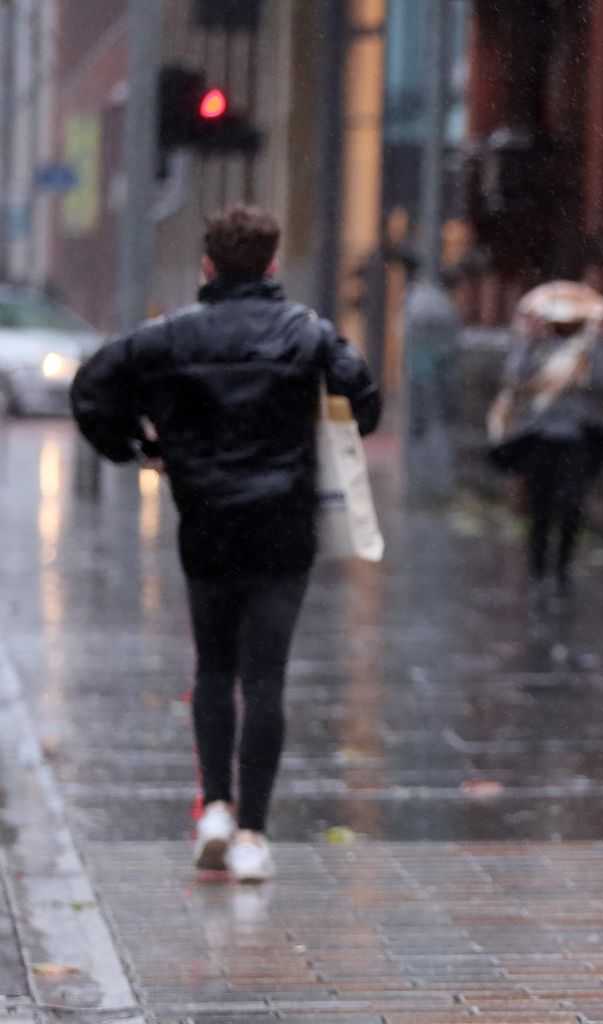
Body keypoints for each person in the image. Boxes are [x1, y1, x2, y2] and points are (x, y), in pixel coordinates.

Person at [71, 206, 381, 882]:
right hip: (282, 524)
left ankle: (213, 805)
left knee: (213, 668)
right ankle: (253, 837)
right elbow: (365, 397)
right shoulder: (307, 333)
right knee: (264, 676)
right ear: (271, 266)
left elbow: (92, 389)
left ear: (207, 265)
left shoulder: (170, 337)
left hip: (206, 521)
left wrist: (140, 446)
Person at [487, 282, 603, 599]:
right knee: (540, 507)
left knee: (573, 506)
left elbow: (602, 381)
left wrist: (599, 341)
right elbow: (514, 377)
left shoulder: (585, 353)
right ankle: (538, 571)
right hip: (539, 440)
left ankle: (561, 570)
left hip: (575, 441)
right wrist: (529, 338)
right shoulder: (538, 348)